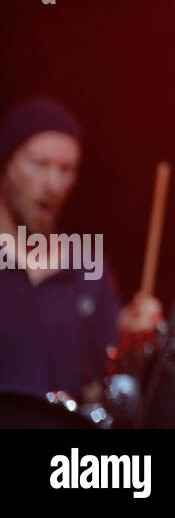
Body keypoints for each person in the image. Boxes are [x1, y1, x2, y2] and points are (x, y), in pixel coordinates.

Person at [0, 97, 164, 407]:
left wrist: (130, 343)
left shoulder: (87, 267)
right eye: (39, 164)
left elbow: (105, 388)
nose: (53, 184)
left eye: (66, 170)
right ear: (6, 164)